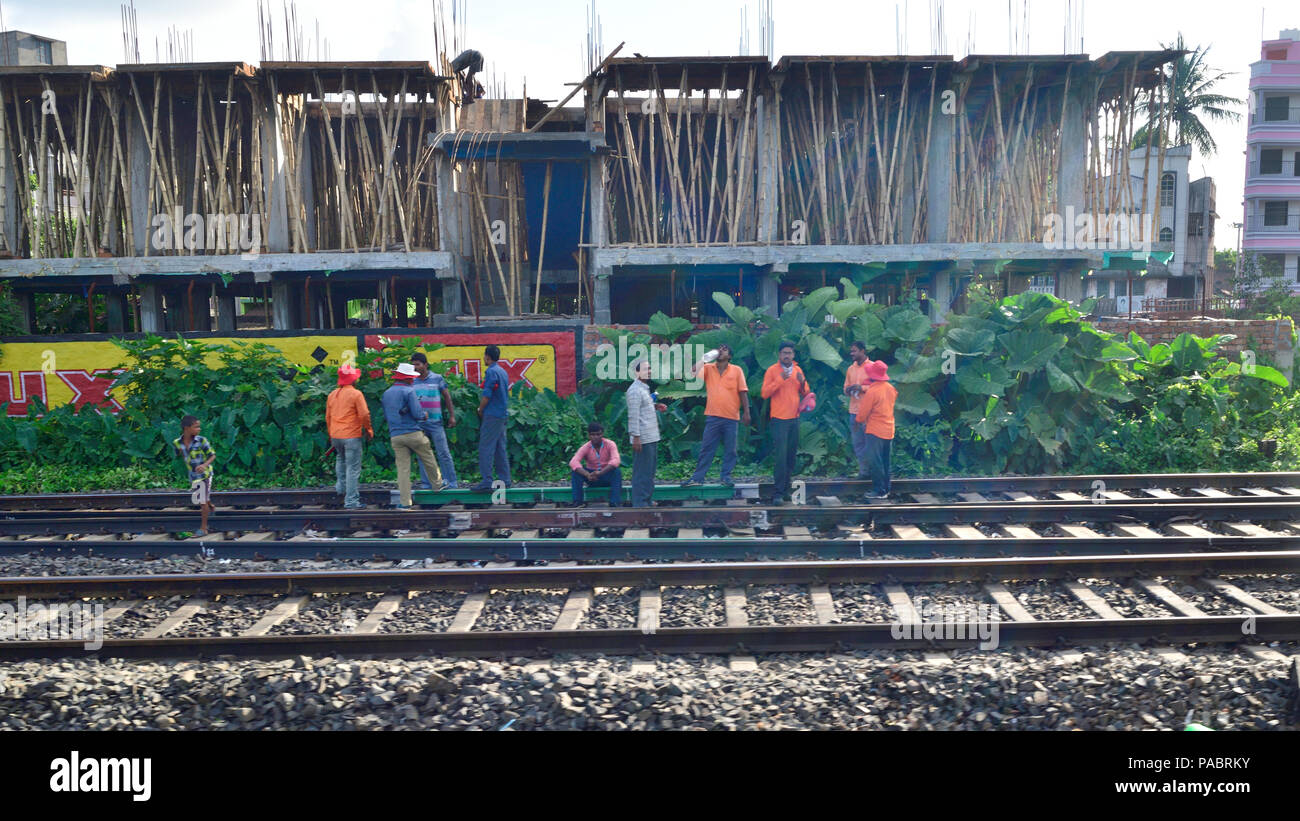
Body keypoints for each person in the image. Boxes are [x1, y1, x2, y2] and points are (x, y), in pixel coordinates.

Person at [682, 343, 750, 487]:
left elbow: (743, 392)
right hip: (713, 416)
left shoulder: (736, 370)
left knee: (730, 449)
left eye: (724, 350)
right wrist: (705, 358)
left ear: (729, 356)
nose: (721, 351)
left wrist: (747, 413)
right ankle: (697, 478)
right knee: (707, 448)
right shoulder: (708, 368)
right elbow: (692, 372)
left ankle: (726, 477)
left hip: (731, 416)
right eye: (719, 349)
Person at [381, 362, 441, 509]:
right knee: (428, 458)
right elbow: (417, 413)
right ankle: (437, 485)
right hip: (413, 433)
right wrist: (424, 415)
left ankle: (405, 502)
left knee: (403, 469)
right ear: (408, 378)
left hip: (395, 435)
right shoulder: (409, 391)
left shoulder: (386, 393)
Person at [760, 342, 809, 503]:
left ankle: (786, 490)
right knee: (780, 457)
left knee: (790, 457)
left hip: (794, 418)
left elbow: (806, 393)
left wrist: (802, 382)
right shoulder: (772, 370)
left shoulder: (797, 370)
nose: (787, 356)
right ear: (779, 355)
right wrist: (780, 380)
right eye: (784, 353)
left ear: (793, 355)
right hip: (779, 419)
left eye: (789, 353)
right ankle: (778, 493)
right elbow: (765, 393)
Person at [325, 365, 374, 510]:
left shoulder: (332, 394)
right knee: (352, 468)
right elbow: (364, 414)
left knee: (340, 459)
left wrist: (330, 433)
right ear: (354, 379)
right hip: (351, 435)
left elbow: (327, 417)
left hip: (336, 435)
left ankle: (341, 489)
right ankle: (351, 501)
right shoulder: (356, 394)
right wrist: (368, 429)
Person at [410, 352, 458, 490]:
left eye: (418, 364)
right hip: (419, 423)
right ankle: (427, 483)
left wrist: (452, 416)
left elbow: (447, 398)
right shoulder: (412, 380)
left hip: (436, 422)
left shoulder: (437, 378)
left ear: (425, 365)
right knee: (422, 454)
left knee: (443, 453)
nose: (415, 367)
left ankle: (451, 482)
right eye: (413, 365)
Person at [625, 358, 667, 507]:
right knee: (642, 472)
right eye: (644, 369)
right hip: (642, 438)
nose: (648, 372)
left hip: (651, 436)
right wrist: (636, 437)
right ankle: (640, 503)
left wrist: (656, 406)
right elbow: (633, 415)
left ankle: (647, 500)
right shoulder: (634, 390)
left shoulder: (644, 388)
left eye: (649, 369)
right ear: (636, 372)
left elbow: (643, 407)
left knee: (649, 472)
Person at [470, 344, 512, 491]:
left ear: (487, 356)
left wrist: (480, 409)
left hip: (492, 414)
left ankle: (487, 481)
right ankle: (505, 479)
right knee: (500, 447)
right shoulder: (502, 371)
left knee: (485, 448)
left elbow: (487, 395)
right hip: (502, 414)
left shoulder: (491, 372)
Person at [854, 359, 898, 501]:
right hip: (889, 429)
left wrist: (858, 422)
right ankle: (886, 488)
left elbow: (862, 414)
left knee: (875, 461)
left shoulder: (872, 391)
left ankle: (879, 490)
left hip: (875, 430)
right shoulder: (890, 388)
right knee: (885, 461)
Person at [172, 415, 216, 536]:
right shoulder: (177, 443)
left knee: (202, 501)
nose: (199, 429)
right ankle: (211, 506)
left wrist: (204, 465)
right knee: (200, 499)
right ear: (187, 428)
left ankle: (203, 528)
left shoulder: (202, 440)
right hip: (193, 476)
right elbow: (179, 454)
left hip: (205, 474)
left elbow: (212, 455)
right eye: (196, 427)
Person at [568, 422, 623, 506]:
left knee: (616, 471)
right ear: (589, 436)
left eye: (598, 434)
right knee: (575, 472)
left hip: (605, 475)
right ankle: (577, 502)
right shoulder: (586, 447)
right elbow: (573, 462)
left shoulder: (610, 444)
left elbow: (616, 460)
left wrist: (600, 473)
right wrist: (587, 474)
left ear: (602, 434)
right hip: (592, 477)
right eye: (593, 435)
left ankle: (614, 502)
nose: (596, 437)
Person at [843, 341, 871, 479]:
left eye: (855, 351)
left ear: (863, 351)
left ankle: (874, 471)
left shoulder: (872, 367)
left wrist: (862, 388)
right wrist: (849, 389)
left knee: (870, 443)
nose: (852, 354)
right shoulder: (850, 369)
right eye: (851, 351)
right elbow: (845, 387)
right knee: (858, 442)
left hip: (869, 413)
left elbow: (878, 387)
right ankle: (864, 471)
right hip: (854, 411)